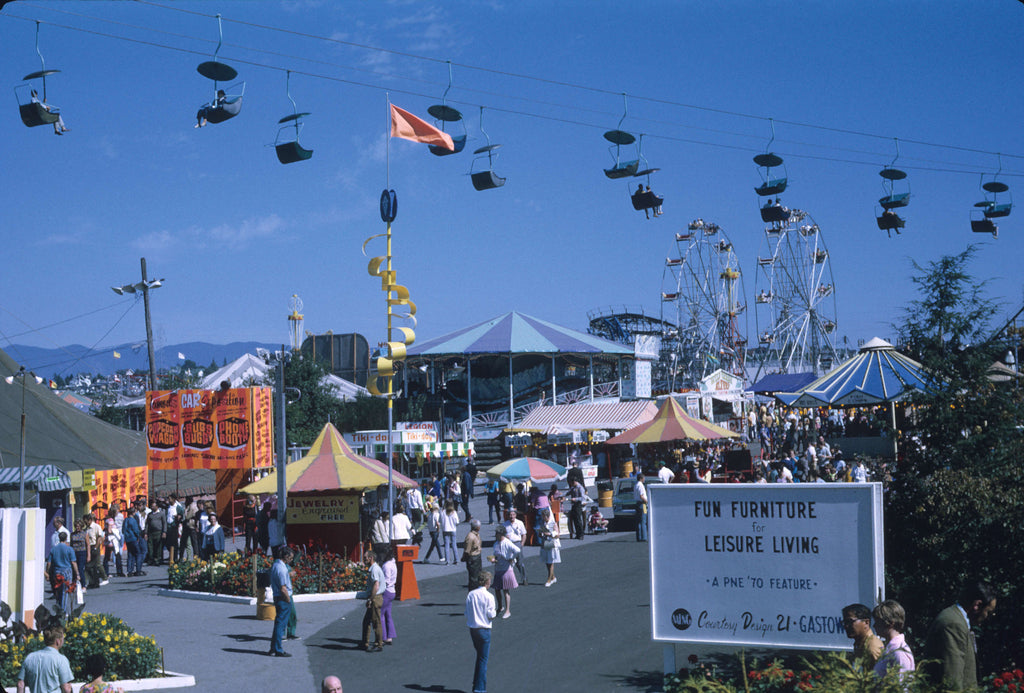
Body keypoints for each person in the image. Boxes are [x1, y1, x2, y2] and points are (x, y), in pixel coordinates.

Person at [923, 581, 998, 690]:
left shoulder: (958, 621)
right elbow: (952, 680)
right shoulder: (954, 624)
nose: (988, 617)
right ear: (977, 605)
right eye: (988, 612)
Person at [17, 625, 73, 693]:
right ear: (58, 641)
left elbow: (20, 685)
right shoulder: (61, 659)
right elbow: (66, 688)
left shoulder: (30, 657)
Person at [465, 571, 497, 693]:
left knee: (480, 657)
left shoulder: (471, 594)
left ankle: (476, 684)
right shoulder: (489, 597)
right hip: (484, 629)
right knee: (483, 659)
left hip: (473, 629)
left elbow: (467, 612)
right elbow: (491, 615)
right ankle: (480, 688)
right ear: (487, 582)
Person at [872, 600, 915, 682]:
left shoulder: (899, 652)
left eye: (878, 622)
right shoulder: (891, 648)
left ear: (891, 623)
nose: (874, 625)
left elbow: (901, 685)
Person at [268, 546, 294, 657]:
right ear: (286, 556)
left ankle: (273, 648)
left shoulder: (275, 565)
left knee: (278, 623)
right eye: (290, 558)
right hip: (283, 598)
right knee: (281, 624)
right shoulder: (282, 569)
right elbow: (283, 588)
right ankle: (278, 649)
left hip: (278, 596)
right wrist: (288, 600)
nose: (291, 560)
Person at [489, 525, 520, 618]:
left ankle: (508, 610)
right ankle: (500, 607)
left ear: (501, 534)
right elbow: (495, 554)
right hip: (498, 569)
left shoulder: (507, 542)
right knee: (497, 589)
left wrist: (511, 558)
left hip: (506, 569)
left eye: (497, 533)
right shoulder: (496, 543)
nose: (495, 535)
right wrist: (493, 559)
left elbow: (517, 550)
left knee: (506, 590)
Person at [46, 532, 79, 616]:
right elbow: (73, 562)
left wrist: (48, 573)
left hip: (57, 571)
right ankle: (63, 611)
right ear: (66, 538)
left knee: (58, 591)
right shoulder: (69, 549)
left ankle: (59, 609)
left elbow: (49, 563)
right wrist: (77, 573)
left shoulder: (53, 549)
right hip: (67, 571)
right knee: (65, 592)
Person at [842, 602, 884, 667]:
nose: (846, 626)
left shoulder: (872, 648)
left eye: (850, 621)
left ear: (866, 622)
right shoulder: (860, 643)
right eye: (845, 622)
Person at [361, 550, 385, 652]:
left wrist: (370, 599)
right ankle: (365, 643)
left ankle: (378, 644)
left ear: (371, 558)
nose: (364, 560)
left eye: (365, 558)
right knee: (367, 621)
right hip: (375, 597)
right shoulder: (375, 568)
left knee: (376, 622)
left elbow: (376, 585)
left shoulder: (374, 569)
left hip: (375, 598)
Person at [503, 508, 528, 585]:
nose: (512, 516)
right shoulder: (504, 524)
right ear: (508, 516)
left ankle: (524, 578)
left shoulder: (520, 523)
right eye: (510, 515)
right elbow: (501, 536)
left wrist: (522, 544)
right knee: (509, 563)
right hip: (509, 545)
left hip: (517, 544)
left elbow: (524, 534)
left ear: (516, 515)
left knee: (520, 563)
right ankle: (510, 580)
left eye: (513, 514)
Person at [537, 507, 561, 587]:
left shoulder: (553, 523)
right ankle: (553, 577)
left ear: (547, 516)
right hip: (545, 542)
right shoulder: (542, 523)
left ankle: (549, 579)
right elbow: (541, 533)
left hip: (551, 543)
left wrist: (550, 534)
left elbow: (557, 535)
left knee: (550, 561)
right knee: (547, 561)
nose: (543, 518)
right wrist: (541, 534)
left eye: (544, 517)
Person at [84, 513, 109, 589]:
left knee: (97, 564)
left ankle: (105, 578)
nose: (85, 523)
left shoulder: (96, 526)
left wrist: (96, 547)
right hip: (89, 546)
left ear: (90, 520)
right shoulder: (87, 528)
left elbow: (100, 537)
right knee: (90, 566)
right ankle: (92, 581)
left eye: (86, 521)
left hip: (95, 546)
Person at [380, 547, 398, 646]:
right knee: (388, 614)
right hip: (392, 591)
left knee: (380, 614)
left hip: (386, 591)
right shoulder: (393, 563)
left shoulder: (386, 566)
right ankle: (389, 636)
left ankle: (382, 637)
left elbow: (386, 581)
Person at [462, 519, 483, 590]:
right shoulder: (470, 537)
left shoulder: (477, 534)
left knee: (479, 575)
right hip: (473, 558)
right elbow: (467, 551)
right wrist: (465, 558)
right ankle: (473, 591)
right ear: (477, 527)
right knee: (473, 578)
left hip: (478, 557)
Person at [441, 501, 460, 566]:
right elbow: (457, 522)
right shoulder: (454, 512)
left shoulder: (443, 512)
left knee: (446, 545)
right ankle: (456, 560)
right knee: (454, 544)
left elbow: (440, 520)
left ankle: (447, 561)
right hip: (453, 529)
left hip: (445, 529)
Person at [633, 472, 649, 542]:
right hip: (643, 504)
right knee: (643, 520)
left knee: (638, 521)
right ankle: (644, 537)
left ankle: (639, 536)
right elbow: (641, 496)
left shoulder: (636, 485)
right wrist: (647, 501)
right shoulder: (641, 485)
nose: (644, 479)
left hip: (637, 503)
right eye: (643, 478)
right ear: (641, 478)